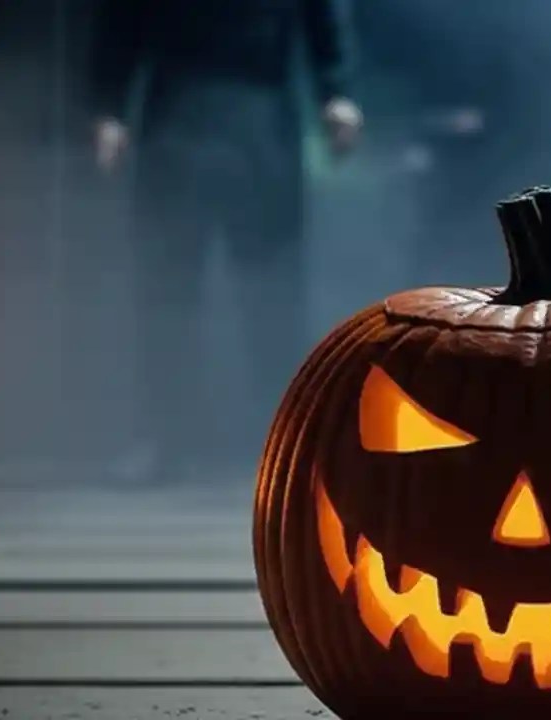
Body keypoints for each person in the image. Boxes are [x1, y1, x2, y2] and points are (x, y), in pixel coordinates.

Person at [89, 0, 363, 482]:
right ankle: (164, 440)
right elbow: (119, 18)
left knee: (272, 292)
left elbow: (322, 12)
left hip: (260, 112)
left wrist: (334, 89)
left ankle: (289, 442)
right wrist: (109, 107)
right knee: (166, 287)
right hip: (175, 110)